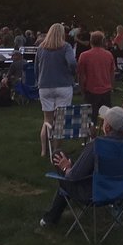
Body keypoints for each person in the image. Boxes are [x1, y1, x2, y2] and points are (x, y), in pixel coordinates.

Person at [39, 105, 123, 228]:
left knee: (58, 156)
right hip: (121, 189)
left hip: (94, 192)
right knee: (75, 169)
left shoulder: (96, 146)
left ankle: (51, 218)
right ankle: (50, 218)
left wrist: (65, 167)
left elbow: (73, 177)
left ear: (107, 127)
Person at [36, 23, 77, 156]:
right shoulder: (65, 47)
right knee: (60, 121)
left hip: (45, 86)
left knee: (47, 120)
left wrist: (39, 80)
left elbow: (37, 67)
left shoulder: (41, 48)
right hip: (63, 85)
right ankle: (55, 150)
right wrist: (72, 72)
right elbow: (72, 62)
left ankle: (44, 150)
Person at [76, 31, 114, 112]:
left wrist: (82, 90)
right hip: (106, 90)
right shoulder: (109, 55)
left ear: (91, 41)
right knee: (106, 116)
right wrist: (111, 86)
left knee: (91, 116)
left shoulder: (84, 55)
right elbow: (112, 73)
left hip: (90, 91)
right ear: (102, 41)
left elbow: (81, 75)